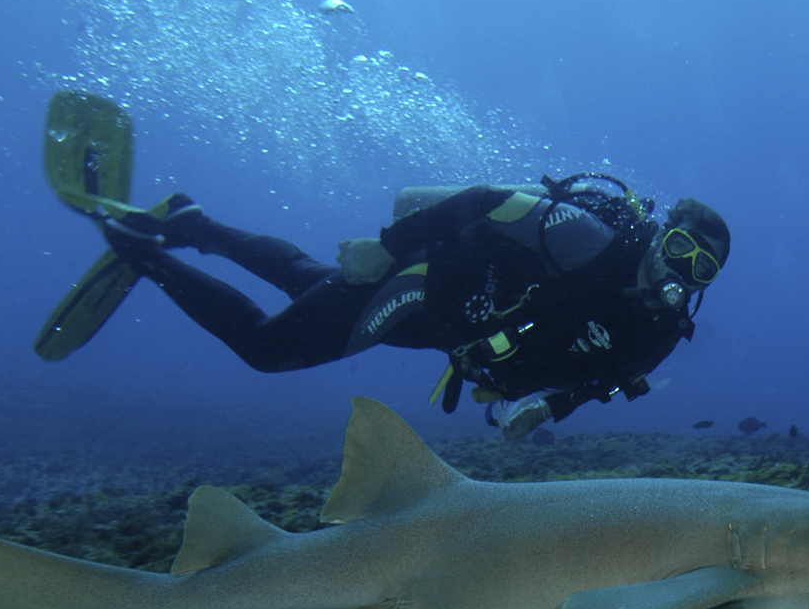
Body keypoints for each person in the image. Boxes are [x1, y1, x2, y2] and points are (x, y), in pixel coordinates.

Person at [100, 175, 730, 439]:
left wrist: (545, 405)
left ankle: (192, 223)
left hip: (441, 330)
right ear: (663, 233)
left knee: (303, 280)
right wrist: (386, 249)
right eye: (679, 248)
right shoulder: (589, 238)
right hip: (424, 286)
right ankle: (143, 254)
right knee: (270, 349)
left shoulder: (661, 330)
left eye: (701, 268)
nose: (680, 270)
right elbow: (488, 199)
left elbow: (606, 378)